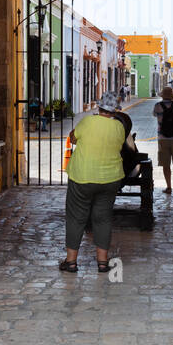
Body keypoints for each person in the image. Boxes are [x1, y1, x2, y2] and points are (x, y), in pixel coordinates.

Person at [58, 92, 127, 274]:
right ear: (115, 111)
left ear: (99, 107)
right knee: (103, 219)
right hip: (110, 178)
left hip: (83, 177)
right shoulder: (119, 127)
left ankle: (71, 262)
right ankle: (102, 262)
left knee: (76, 218)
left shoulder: (88, 122)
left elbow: (73, 138)